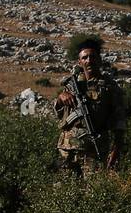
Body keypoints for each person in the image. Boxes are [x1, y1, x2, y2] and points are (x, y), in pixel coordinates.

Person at [54, 36, 126, 173]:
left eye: (92, 57)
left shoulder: (110, 87)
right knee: (65, 192)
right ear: (79, 62)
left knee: (93, 192)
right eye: (85, 58)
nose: (89, 61)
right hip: (68, 150)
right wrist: (60, 98)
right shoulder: (72, 85)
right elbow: (59, 115)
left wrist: (115, 151)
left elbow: (119, 123)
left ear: (99, 59)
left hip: (94, 151)